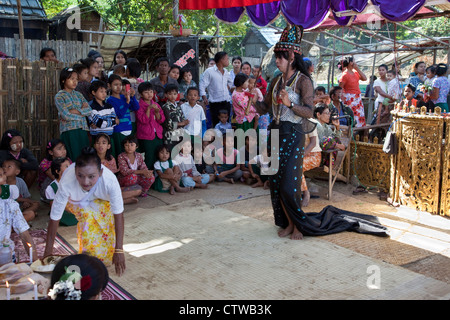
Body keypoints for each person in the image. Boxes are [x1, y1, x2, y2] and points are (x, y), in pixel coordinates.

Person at [256, 25, 388, 240]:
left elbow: (309, 111)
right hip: (276, 134)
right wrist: (255, 100)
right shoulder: (276, 81)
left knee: (290, 184)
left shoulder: (303, 80)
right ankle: (289, 224)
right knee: (277, 183)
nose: (276, 61)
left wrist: (289, 104)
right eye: (276, 58)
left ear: (291, 57)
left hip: (294, 135)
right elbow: (265, 108)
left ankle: (299, 226)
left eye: (280, 57)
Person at [44, 147, 126, 275]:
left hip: (103, 201)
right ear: (75, 171)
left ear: (101, 172)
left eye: (91, 176)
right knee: (88, 218)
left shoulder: (110, 181)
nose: (85, 182)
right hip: (76, 201)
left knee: (106, 227)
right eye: (80, 176)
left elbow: (118, 214)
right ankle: (87, 255)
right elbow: (55, 217)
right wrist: (47, 253)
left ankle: (99, 254)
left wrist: (119, 250)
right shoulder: (67, 181)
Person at [0, 167, 37, 263]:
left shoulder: (9, 203)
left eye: (2, 174)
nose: (4, 176)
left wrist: (35, 263)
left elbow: (24, 234)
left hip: (5, 253)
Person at [93, 134, 142, 205]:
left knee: (138, 190)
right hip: (97, 189)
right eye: (98, 143)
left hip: (110, 188)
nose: (100, 145)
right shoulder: (91, 160)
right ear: (94, 145)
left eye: (104, 143)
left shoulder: (111, 159)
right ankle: (121, 201)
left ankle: (113, 201)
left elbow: (112, 177)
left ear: (108, 146)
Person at [55, 67, 92, 161]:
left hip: (83, 130)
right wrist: (82, 113)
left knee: (85, 159)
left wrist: (76, 111)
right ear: (63, 80)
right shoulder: (59, 96)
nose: (75, 82)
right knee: (74, 159)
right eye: (72, 79)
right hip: (70, 132)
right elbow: (66, 116)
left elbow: (89, 110)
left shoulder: (79, 95)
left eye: (76, 79)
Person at [107, 74, 140, 155]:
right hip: (118, 130)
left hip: (128, 128)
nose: (118, 87)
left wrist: (132, 97)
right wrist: (127, 102)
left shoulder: (124, 97)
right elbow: (119, 114)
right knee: (121, 154)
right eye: (115, 85)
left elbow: (136, 107)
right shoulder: (110, 100)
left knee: (130, 154)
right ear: (109, 86)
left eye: (120, 85)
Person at [199, 51, 233, 126]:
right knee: (217, 125)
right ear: (221, 60)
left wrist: (226, 88)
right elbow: (202, 85)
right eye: (227, 59)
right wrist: (204, 97)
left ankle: (227, 138)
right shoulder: (209, 71)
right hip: (215, 103)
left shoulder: (226, 71)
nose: (228, 61)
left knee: (227, 125)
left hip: (226, 102)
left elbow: (230, 82)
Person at [136, 82, 165, 170]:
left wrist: (156, 112)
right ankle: (147, 177)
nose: (149, 94)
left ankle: (158, 177)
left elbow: (161, 120)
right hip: (146, 136)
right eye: (146, 92)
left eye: (151, 92)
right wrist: (148, 109)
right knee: (149, 157)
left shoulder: (156, 104)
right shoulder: (139, 106)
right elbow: (143, 120)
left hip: (158, 134)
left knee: (159, 156)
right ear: (141, 94)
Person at [88, 81, 118, 157]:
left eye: (105, 91)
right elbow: (100, 123)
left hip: (109, 137)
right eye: (101, 91)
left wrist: (108, 122)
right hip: (97, 140)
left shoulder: (109, 106)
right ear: (94, 92)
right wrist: (113, 122)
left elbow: (113, 119)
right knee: (97, 159)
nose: (104, 94)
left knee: (110, 159)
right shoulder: (91, 107)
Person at [45, 157, 77, 226]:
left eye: (70, 166)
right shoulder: (52, 187)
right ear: (58, 171)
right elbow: (54, 207)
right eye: (66, 166)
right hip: (63, 215)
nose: (70, 169)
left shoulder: (74, 182)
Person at [38, 139, 71, 203]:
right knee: (58, 173)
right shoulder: (45, 163)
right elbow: (54, 177)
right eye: (59, 149)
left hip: (64, 187)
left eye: (64, 148)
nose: (63, 151)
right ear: (51, 152)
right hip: (48, 188)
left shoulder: (67, 160)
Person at [338, 56, 367, 127]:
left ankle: (359, 130)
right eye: (354, 61)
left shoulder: (356, 72)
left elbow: (364, 78)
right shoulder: (345, 75)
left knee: (359, 115)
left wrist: (357, 68)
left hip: (357, 97)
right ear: (351, 63)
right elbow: (340, 88)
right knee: (352, 115)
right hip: (349, 98)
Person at [300, 120, 322, 207]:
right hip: (302, 155)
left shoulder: (310, 122)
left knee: (297, 166)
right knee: (290, 164)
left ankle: (306, 193)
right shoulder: (294, 121)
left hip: (314, 156)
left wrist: (300, 156)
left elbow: (313, 143)